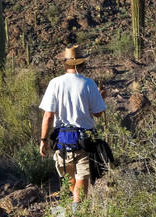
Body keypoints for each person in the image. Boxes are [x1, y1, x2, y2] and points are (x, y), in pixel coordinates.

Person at [38, 45, 106, 208]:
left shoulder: (55, 83)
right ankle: (76, 214)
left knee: (71, 180)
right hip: (85, 140)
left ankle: (70, 213)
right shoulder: (89, 84)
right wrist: (101, 97)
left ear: (65, 64)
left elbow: (48, 115)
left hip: (62, 141)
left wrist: (43, 140)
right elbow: (98, 113)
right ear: (81, 64)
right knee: (82, 179)